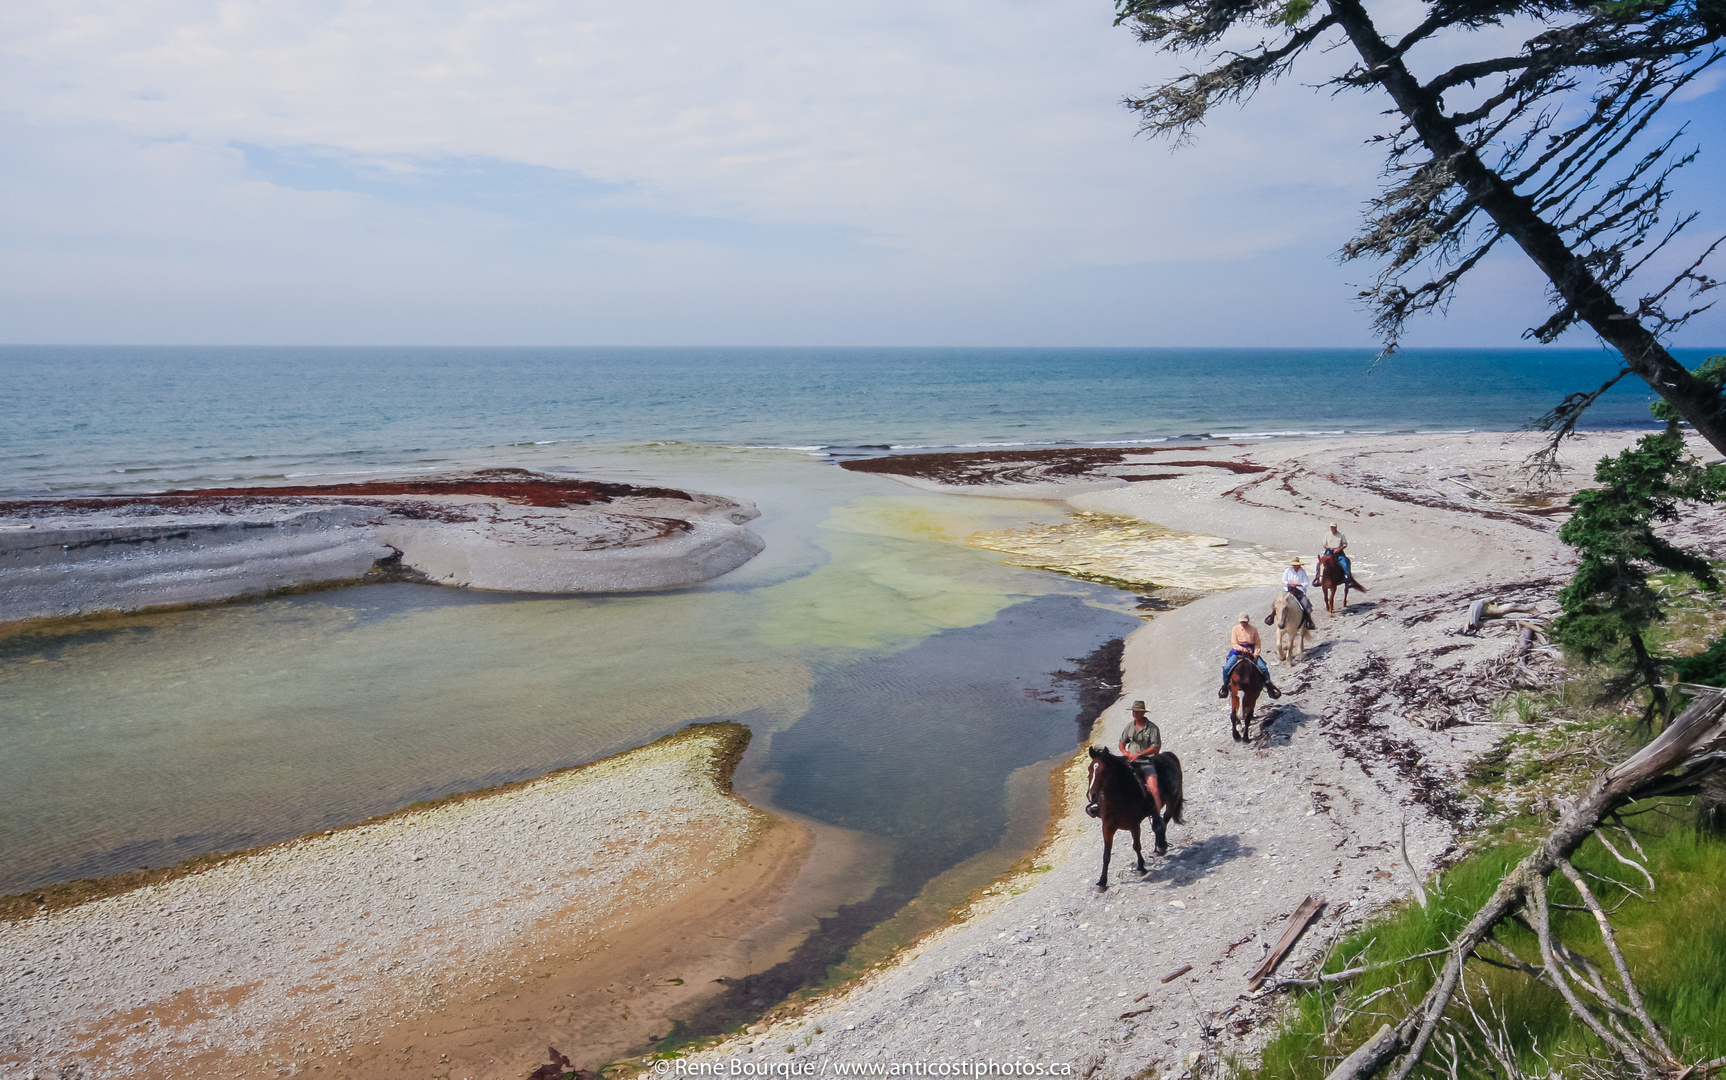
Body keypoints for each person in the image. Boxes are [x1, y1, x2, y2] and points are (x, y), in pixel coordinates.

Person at [1221, 611, 1282, 699]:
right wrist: (1242, 649)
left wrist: (1256, 653)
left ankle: (1269, 686)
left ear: (1248, 621)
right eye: (1242, 622)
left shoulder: (1253, 629)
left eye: (1245, 622)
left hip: (1251, 651)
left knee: (1263, 667)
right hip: (1238, 651)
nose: (1243, 623)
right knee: (1227, 667)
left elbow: (1257, 643)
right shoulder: (1235, 629)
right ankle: (1225, 686)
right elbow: (1234, 643)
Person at [1117, 700, 1163, 804]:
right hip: (1130, 758)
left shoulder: (1152, 728)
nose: (1135, 714)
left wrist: (1139, 754)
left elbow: (1155, 747)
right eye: (1133, 711)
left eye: (1137, 711)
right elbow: (1122, 742)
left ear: (1143, 713)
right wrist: (1124, 752)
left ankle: (1157, 815)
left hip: (1146, 760)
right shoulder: (1129, 726)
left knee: (1154, 788)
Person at [1279, 556, 1316, 630]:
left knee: (1306, 604)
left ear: (1299, 565)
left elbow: (1306, 583)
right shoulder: (1288, 570)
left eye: (1296, 565)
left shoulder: (1302, 572)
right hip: (1288, 590)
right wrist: (1289, 583)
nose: (1295, 566)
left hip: (1299, 591)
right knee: (1277, 602)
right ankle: (1272, 616)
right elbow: (1283, 580)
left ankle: (1309, 621)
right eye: (1294, 565)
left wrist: (1298, 585)